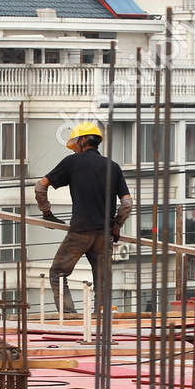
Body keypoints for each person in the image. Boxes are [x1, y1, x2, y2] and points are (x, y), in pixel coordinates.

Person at [35, 121, 132, 314]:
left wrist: (47, 213)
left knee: (57, 273)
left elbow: (40, 186)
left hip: (80, 232)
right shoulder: (113, 166)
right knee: (102, 280)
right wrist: (117, 225)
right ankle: (100, 317)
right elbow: (127, 204)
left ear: (82, 141)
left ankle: (70, 316)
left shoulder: (73, 162)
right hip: (104, 235)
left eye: (75, 143)